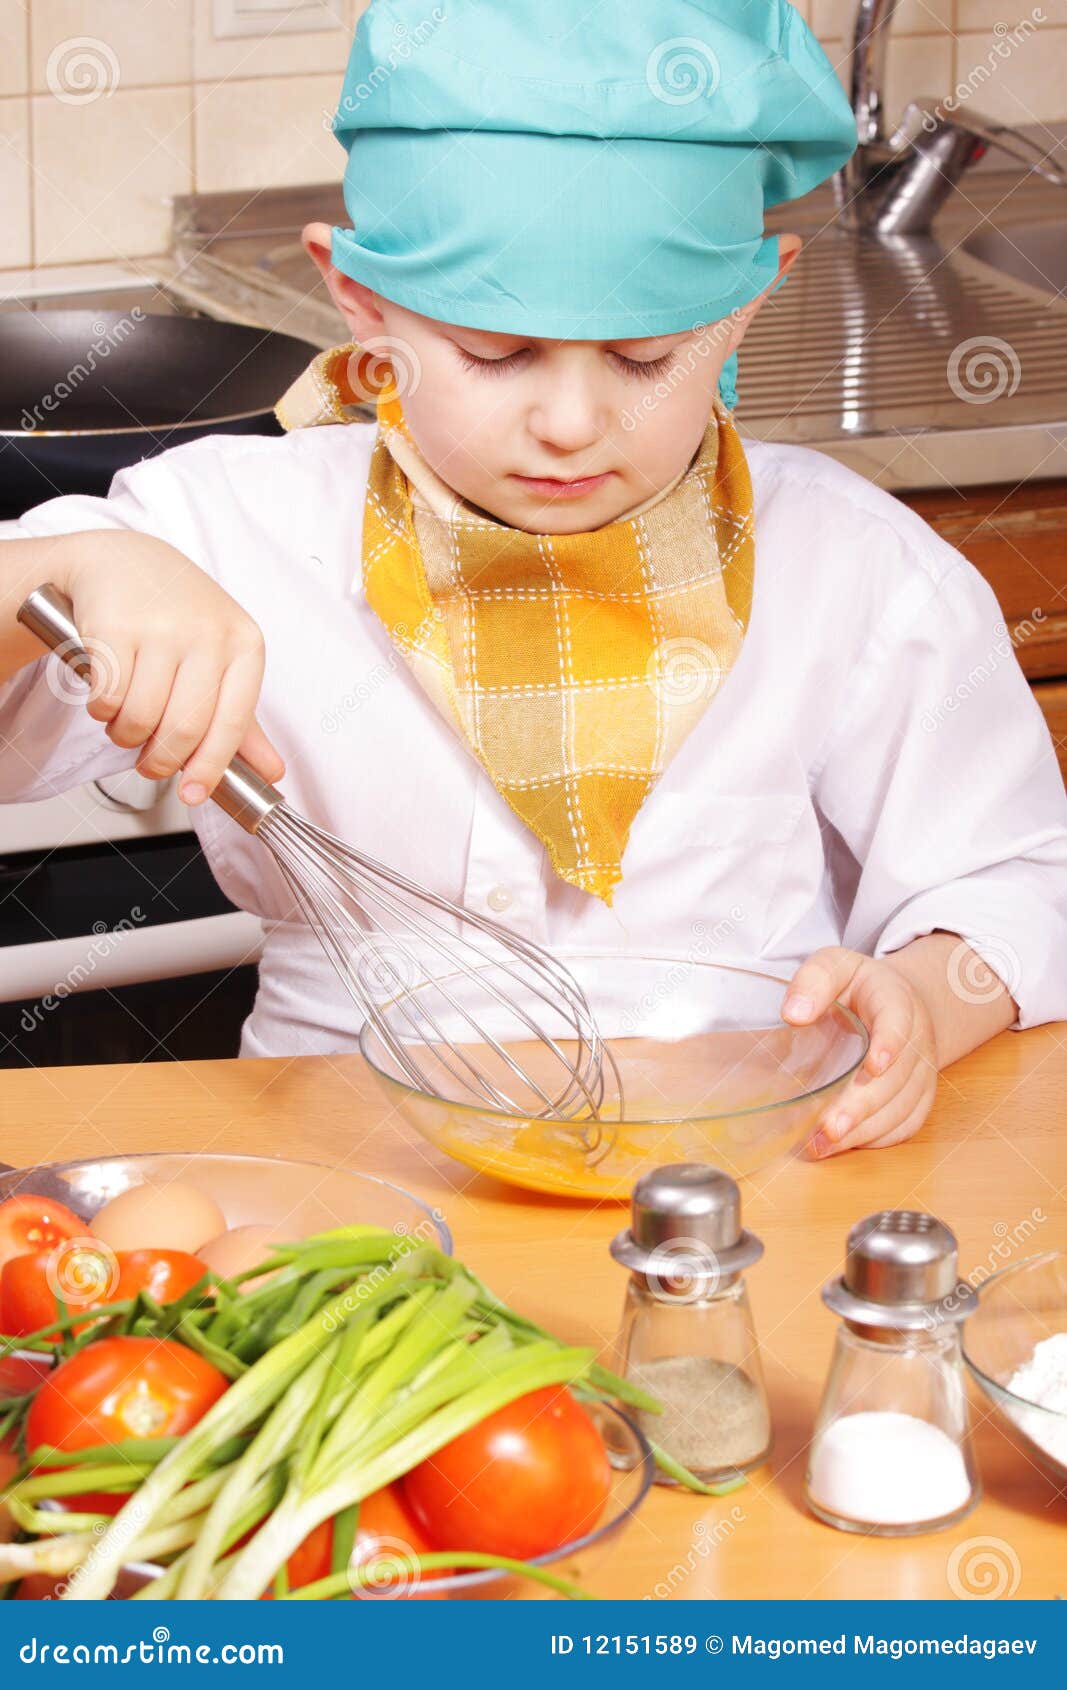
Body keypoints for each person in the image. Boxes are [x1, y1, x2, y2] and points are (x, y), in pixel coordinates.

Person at [1, 1, 1065, 1161]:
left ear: (743, 309)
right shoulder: (226, 526)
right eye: (494, 353)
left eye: (644, 358)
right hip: (332, 1172)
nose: (568, 421)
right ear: (360, 303)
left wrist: (925, 997)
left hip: (739, 1174)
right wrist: (67, 569)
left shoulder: (860, 571)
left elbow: (1016, 877)